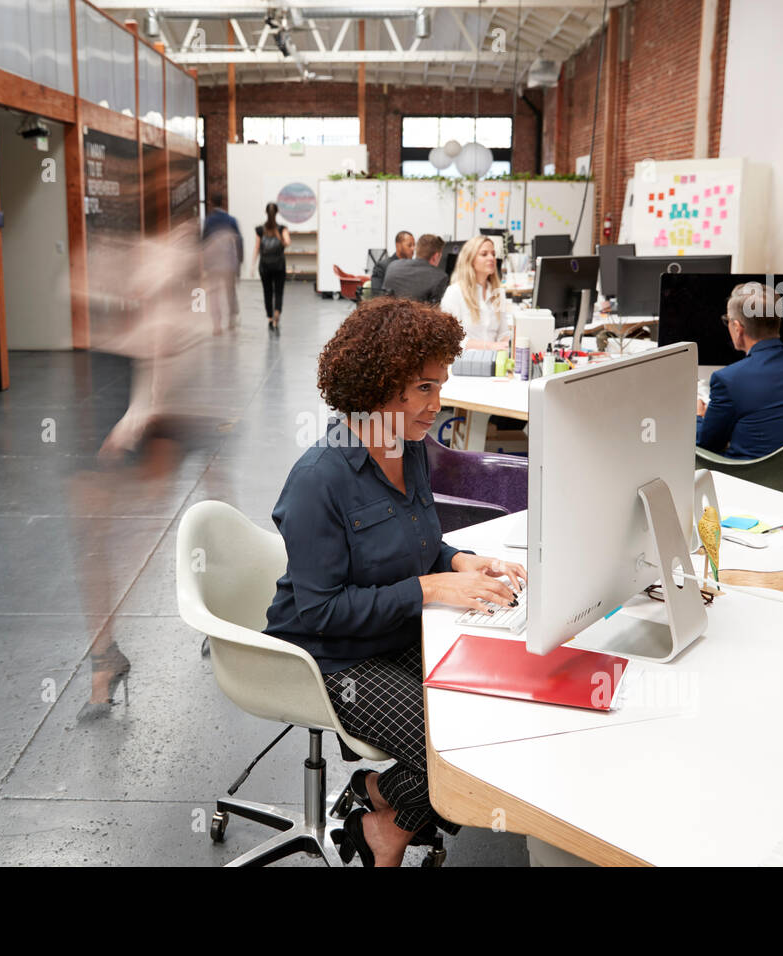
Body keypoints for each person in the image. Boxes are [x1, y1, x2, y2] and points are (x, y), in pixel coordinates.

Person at [263, 297, 528, 867]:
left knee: (494, 721)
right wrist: (432, 589)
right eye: (426, 388)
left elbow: (422, 545)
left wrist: (458, 562)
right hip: (334, 659)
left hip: (399, 633)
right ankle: (386, 823)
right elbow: (321, 614)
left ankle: (381, 803)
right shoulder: (318, 480)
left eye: (440, 386)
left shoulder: (407, 448)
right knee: (456, 759)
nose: (439, 403)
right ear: (380, 386)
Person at [696, 282, 783, 459]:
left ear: (738, 328)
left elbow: (707, 444)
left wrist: (699, 416)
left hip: (747, 480)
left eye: (728, 321)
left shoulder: (728, 379)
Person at [439, 235, 509, 348]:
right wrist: (490, 346)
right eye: (484, 254)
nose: (491, 258)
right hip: (466, 360)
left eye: (493, 254)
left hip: (494, 358)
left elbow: (503, 332)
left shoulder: (498, 292)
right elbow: (451, 338)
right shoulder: (455, 292)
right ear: (470, 259)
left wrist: (508, 344)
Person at [201, 194, 242, 333]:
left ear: (212, 203)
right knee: (230, 292)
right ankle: (231, 320)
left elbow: (203, 243)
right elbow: (238, 241)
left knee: (214, 294)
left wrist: (203, 263)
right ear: (223, 202)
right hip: (228, 263)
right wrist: (240, 261)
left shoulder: (208, 221)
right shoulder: (231, 220)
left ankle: (217, 325)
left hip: (213, 264)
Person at [253, 202, 290, 332]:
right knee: (278, 291)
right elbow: (287, 243)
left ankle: (269, 318)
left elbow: (257, 248)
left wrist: (252, 266)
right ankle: (277, 313)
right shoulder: (281, 229)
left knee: (267, 292)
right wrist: (278, 235)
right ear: (277, 213)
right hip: (279, 265)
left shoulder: (260, 230)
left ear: (266, 212)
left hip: (264, 266)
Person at [381, 233, 449, 304]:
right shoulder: (440, 277)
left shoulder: (393, 265)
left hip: (387, 314)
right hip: (418, 315)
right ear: (436, 256)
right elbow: (436, 311)